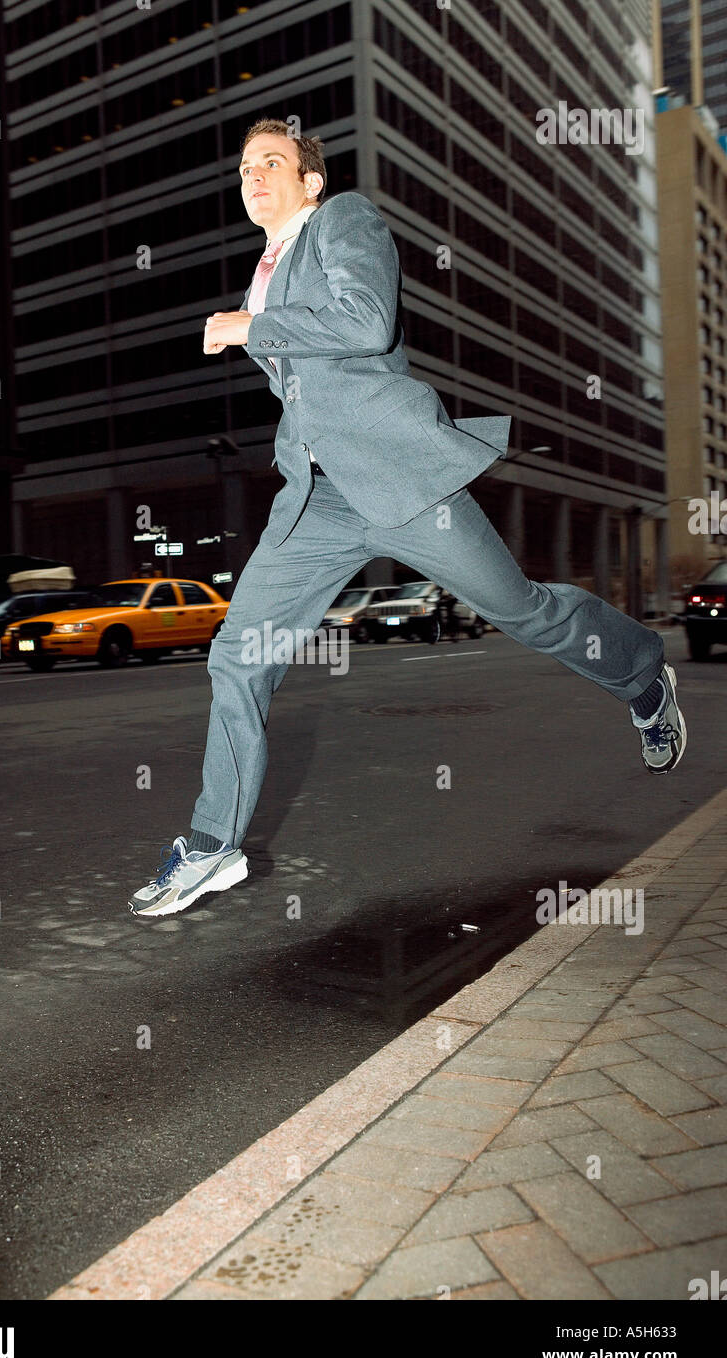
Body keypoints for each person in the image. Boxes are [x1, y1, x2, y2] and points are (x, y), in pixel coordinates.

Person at [128, 119, 686, 921]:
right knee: (238, 656)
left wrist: (253, 327)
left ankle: (641, 677)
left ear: (309, 180)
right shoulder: (263, 271)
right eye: (246, 167)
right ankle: (213, 845)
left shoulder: (344, 221)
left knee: (518, 609)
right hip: (316, 498)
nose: (254, 176)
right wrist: (257, 319)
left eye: (272, 163)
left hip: (401, 483)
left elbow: (365, 325)